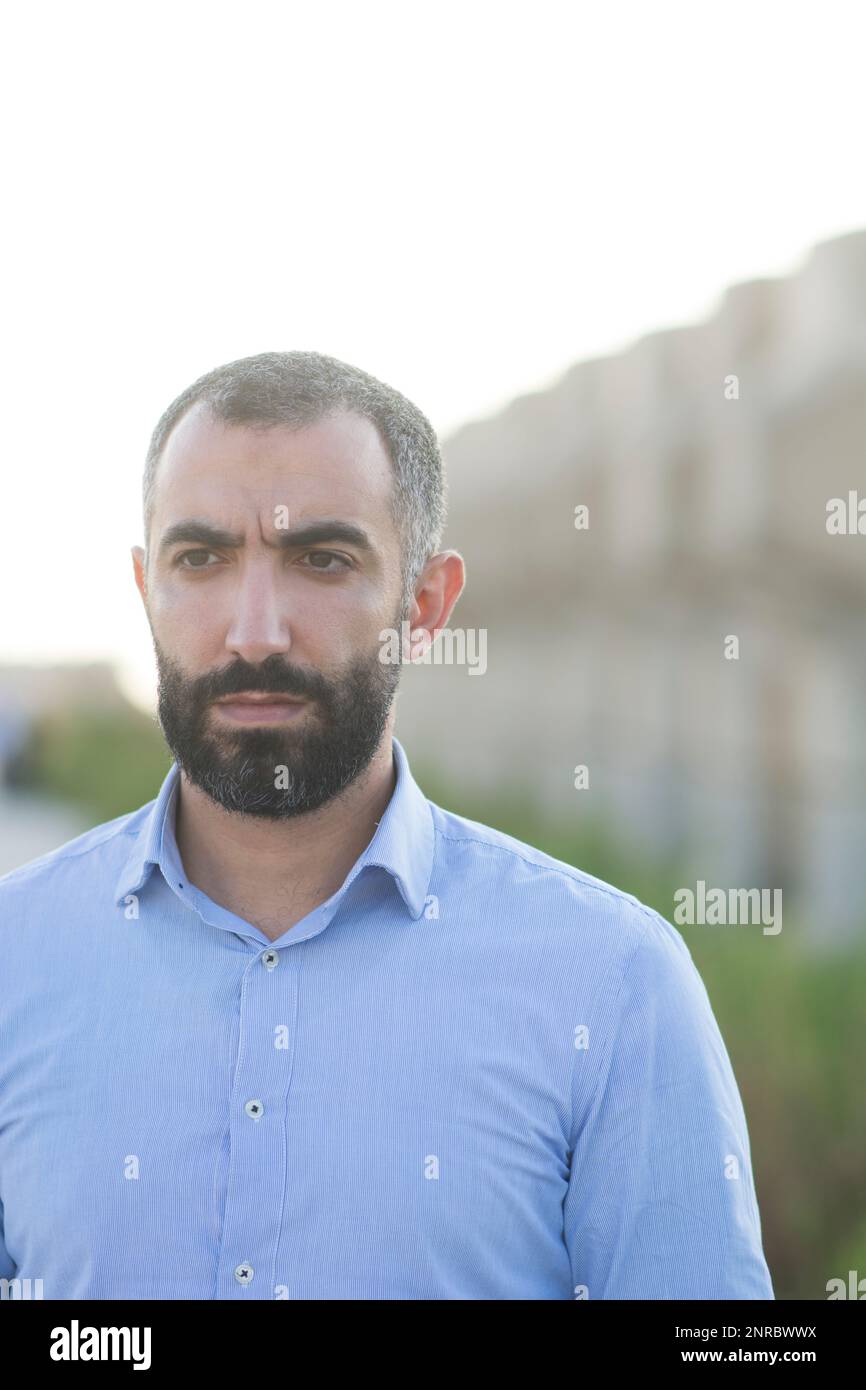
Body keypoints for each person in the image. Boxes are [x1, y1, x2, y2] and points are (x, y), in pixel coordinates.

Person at [0, 351, 774, 1299]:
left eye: (322, 560)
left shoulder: (612, 988)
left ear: (426, 605)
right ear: (144, 589)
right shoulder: (16, 957)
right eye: (199, 559)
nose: (255, 632)